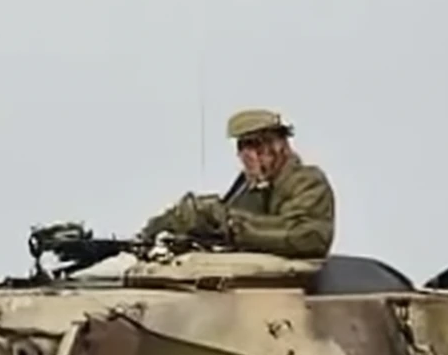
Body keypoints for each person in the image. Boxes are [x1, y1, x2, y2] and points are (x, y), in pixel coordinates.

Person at [138, 109, 336, 258]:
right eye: (243, 146)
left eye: (257, 145)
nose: (247, 155)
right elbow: (226, 219)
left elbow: (307, 237)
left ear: (280, 144)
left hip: (290, 285)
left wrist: (230, 224)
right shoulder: (250, 187)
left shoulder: (306, 181)